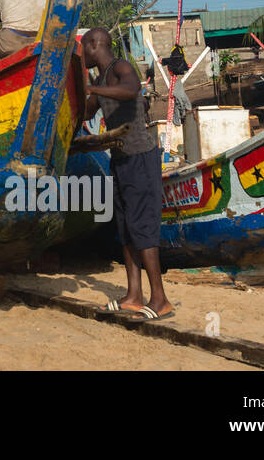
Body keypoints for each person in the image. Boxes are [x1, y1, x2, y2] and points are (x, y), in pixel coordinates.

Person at [81, 27, 173, 320]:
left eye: (83, 48)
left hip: (140, 157)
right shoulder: (100, 78)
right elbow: (86, 111)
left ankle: (160, 298)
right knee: (126, 229)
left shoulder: (120, 67)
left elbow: (131, 89)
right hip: (120, 160)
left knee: (143, 226)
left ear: (95, 45)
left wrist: (92, 89)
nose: (81, 53)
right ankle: (134, 295)